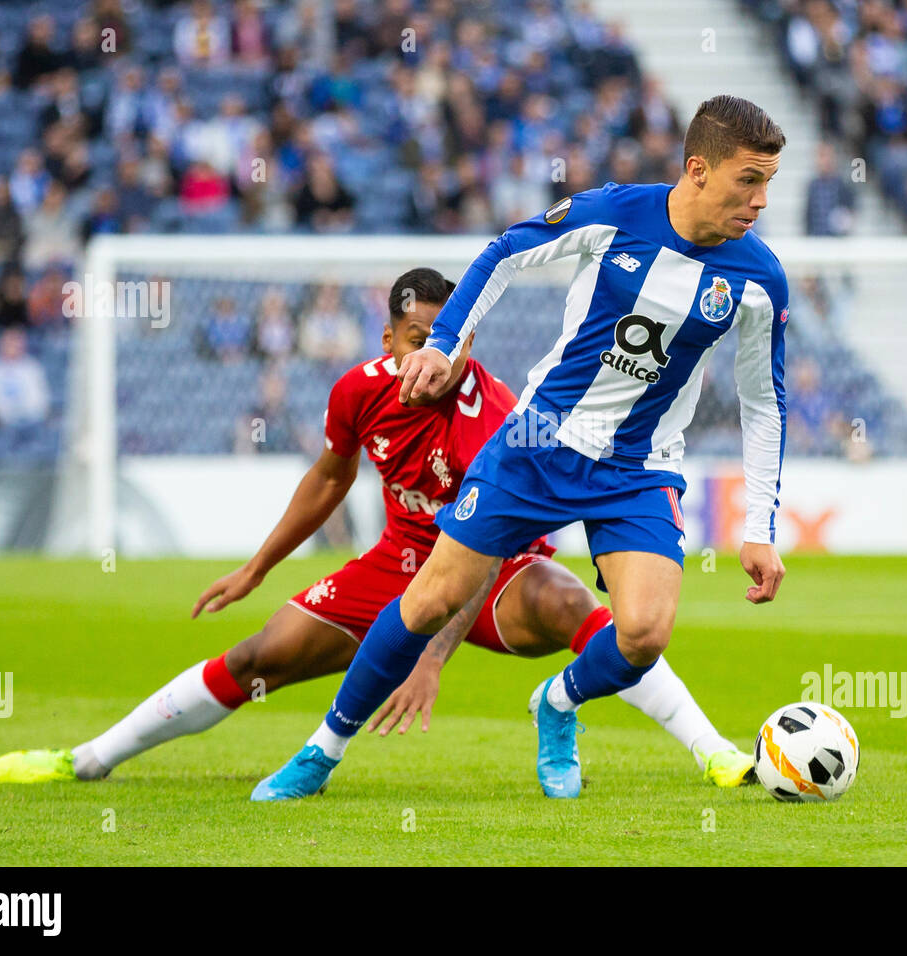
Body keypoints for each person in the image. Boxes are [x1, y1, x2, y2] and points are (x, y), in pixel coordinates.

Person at [0, 270, 754, 791]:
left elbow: (472, 560)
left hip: (492, 569)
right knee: (257, 659)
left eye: (450, 338)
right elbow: (328, 478)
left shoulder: (495, 422)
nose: (438, 354)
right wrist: (257, 567)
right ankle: (84, 762)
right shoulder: (358, 391)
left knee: (583, 613)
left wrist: (429, 659)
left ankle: (714, 752)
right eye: (421, 338)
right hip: (396, 563)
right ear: (390, 340)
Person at [258, 94, 790, 801]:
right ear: (698, 169)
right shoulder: (613, 215)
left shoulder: (758, 278)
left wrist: (759, 529)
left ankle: (558, 702)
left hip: (639, 466)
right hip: (540, 442)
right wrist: (443, 344)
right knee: (428, 602)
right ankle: (321, 752)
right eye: (747, 180)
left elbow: (764, 403)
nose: (759, 201)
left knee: (644, 634)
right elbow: (504, 252)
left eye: (767, 184)